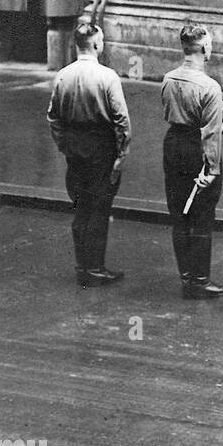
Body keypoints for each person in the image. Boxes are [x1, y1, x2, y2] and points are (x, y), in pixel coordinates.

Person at [47, 22, 130, 287]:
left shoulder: (62, 75)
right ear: (96, 44)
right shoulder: (108, 77)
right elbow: (121, 121)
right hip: (101, 149)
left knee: (81, 207)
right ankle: (95, 267)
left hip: (75, 149)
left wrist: (64, 144)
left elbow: (54, 117)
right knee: (99, 208)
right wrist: (121, 154)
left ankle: (83, 265)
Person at [161, 22, 223, 298]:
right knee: (202, 214)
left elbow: (179, 109)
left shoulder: (169, 78)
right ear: (204, 48)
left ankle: (186, 275)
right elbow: (211, 133)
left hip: (173, 144)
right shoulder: (210, 87)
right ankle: (201, 280)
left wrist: (218, 107)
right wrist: (212, 169)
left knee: (178, 213)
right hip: (197, 149)